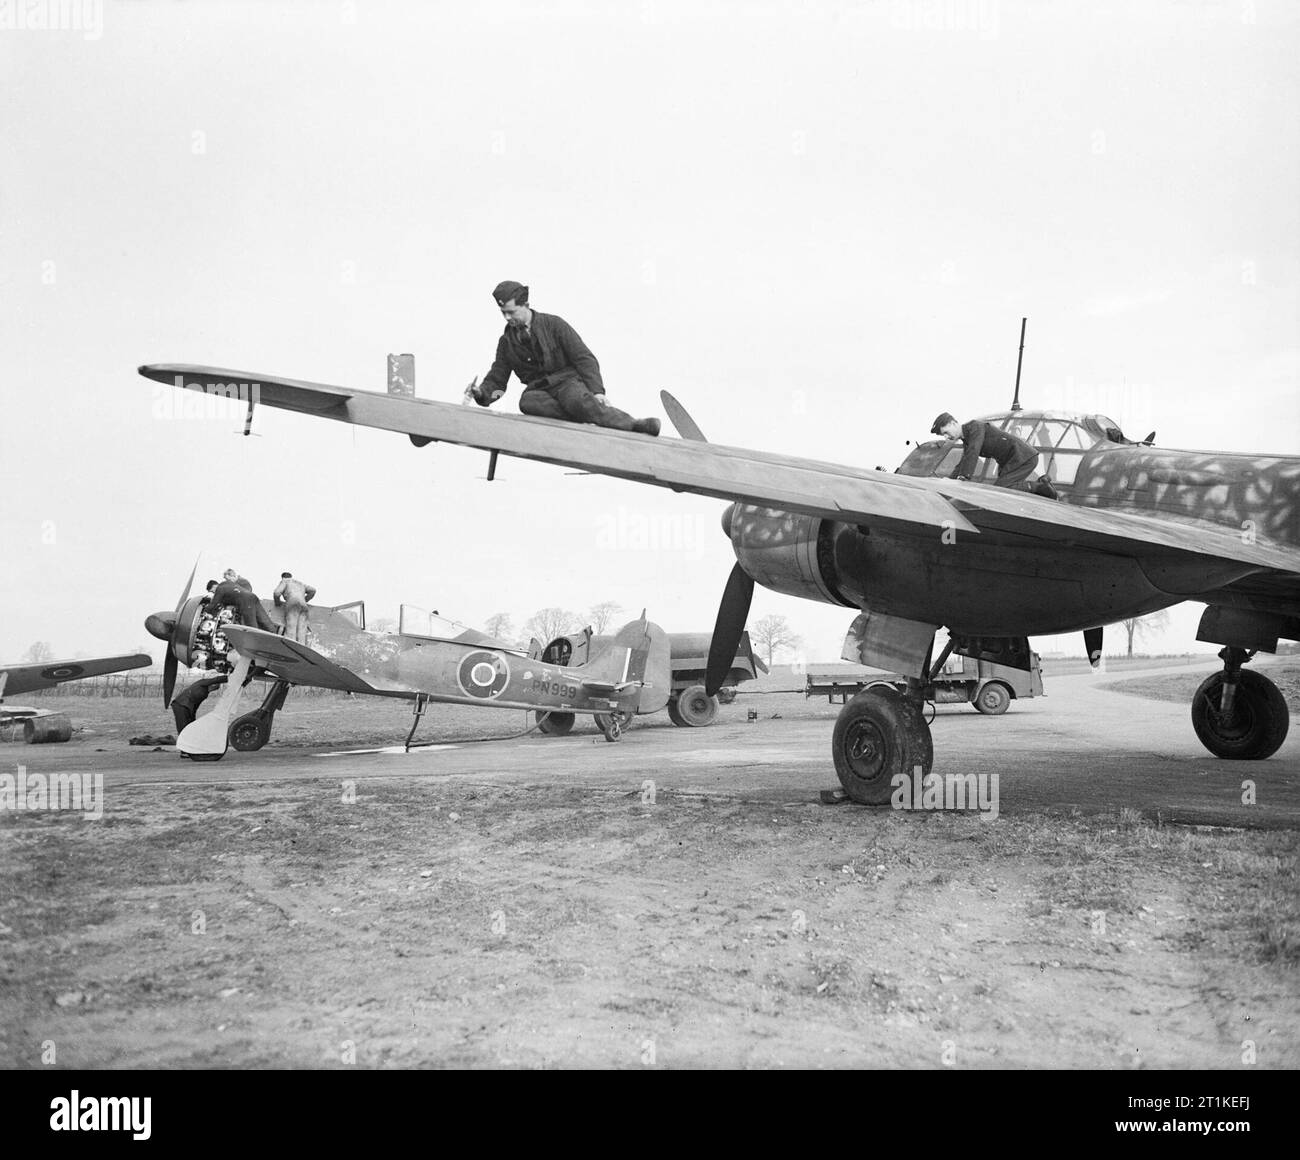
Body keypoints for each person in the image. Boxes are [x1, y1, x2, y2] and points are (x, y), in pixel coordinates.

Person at [466, 280, 660, 436]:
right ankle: (583, 416)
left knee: (576, 400)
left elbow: (584, 358)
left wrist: (597, 391)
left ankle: (634, 425)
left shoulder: (554, 325)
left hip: (567, 383)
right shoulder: (506, 343)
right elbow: (498, 381)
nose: (507, 318)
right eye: (503, 313)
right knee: (527, 403)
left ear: (526, 305)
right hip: (539, 390)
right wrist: (482, 393)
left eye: (511, 312)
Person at [931, 412, 1041, 491]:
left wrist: (963, 477)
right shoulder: (967, 438)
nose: (946, 437)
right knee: (1002, 489)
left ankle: (1042, 487)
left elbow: (973, 451)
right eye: (943, 435)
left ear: (953, 423)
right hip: (1011, 460)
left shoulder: (975, 427)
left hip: (1023, 456)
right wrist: (949, 481)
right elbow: (963, 463)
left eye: (945, 432)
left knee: (1002, 490)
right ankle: (1042, 487)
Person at [208, 569, 279, 633]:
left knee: (251, 626)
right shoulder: (230, 585)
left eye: (212, 591)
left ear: (215, 586)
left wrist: (206, 610)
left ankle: (255, 640)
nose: (213, 593)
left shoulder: (221, 587)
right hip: (253, 598)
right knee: (264, 620)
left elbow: (214, 603)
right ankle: (274, 633)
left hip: (245, 602)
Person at [273, 572, 317, 643]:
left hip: (292, 603)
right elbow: (313, 590)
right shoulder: (300, 584)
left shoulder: (285, 581)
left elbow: (277, 593)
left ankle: (289, 647)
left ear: (283, 577)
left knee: (291, 629)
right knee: (301, 631)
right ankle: (301, 648)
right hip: (303, 606)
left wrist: (277, 603)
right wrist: (305, 600)